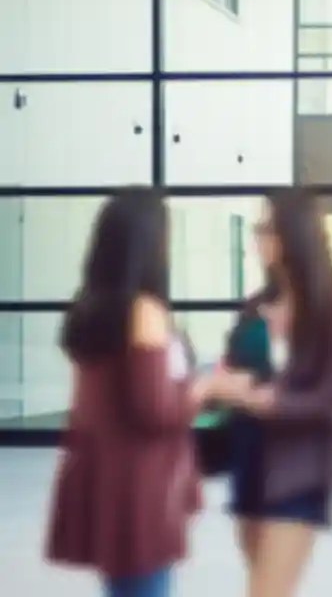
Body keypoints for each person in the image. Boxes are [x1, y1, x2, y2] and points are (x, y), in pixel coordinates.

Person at [46, 189, 236, 597]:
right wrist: (206, 386)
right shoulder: (143, 312)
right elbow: (155, 409)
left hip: (110, 483)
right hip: (141, 491)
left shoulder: (91, 308)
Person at [221, 189, 332, 597]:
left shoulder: (331, 309)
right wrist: (223, 385)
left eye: (266, 229)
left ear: (292, 236)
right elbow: (235, 369)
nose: (258, 239)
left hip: (298, 470)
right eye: (257, 229)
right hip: (249, 463)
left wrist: (273, 403)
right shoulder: (254, 308)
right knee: (266, 586)